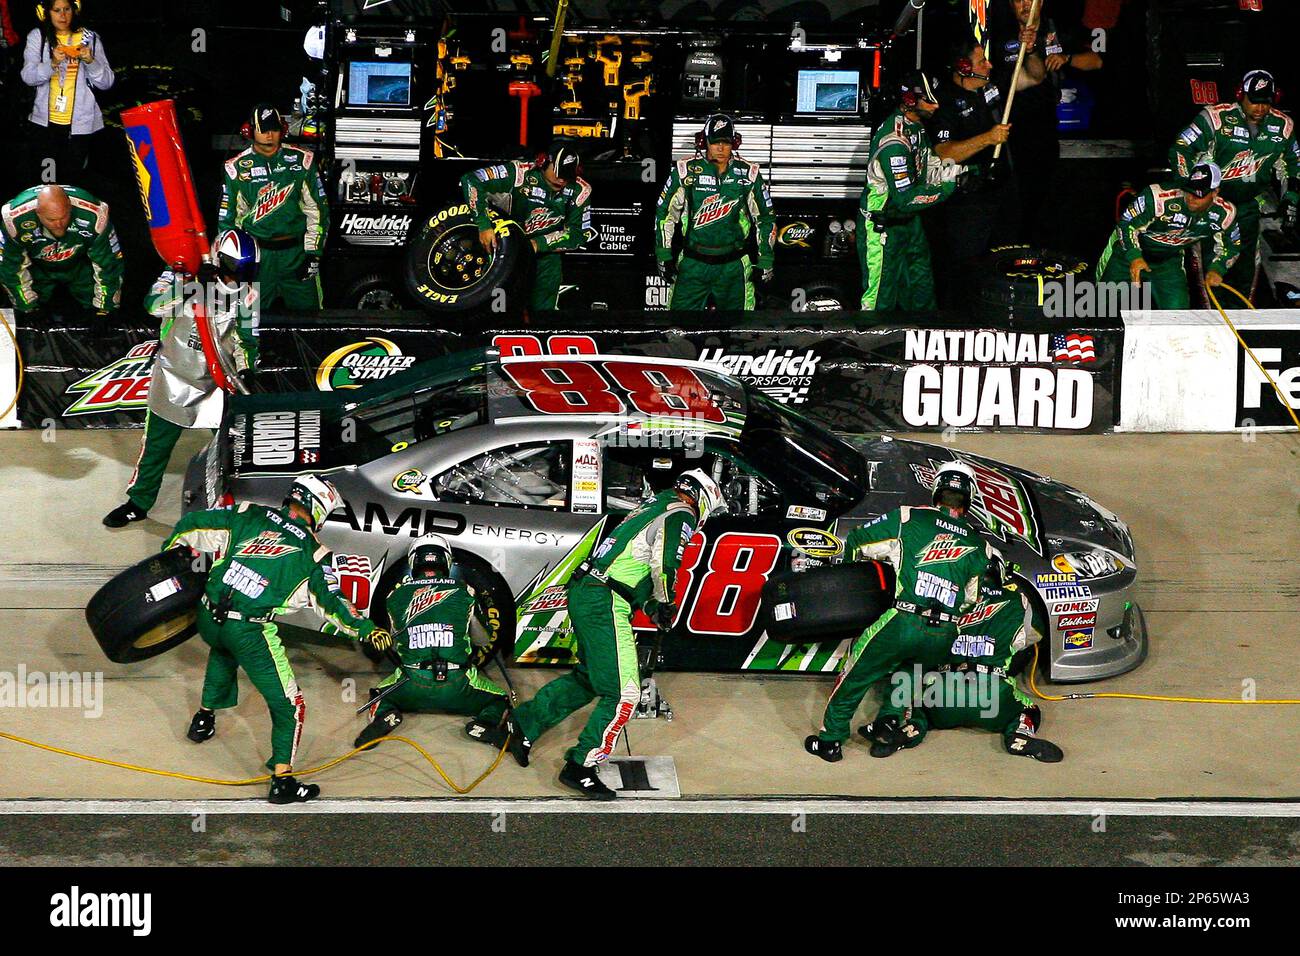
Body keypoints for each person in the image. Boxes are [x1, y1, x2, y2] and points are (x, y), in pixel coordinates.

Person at [476, 469, 726, 798]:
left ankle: (521, 725)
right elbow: (665, 563)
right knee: (624, 694)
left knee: (592, 677)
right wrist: (666, 602)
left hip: (590, 590)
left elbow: (625, 564)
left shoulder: (652, 506)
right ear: (703, 497)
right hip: (603, 601)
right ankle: (582, 765)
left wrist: (650, 608)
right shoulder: (681, 513)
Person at [166, 475, 390, 804]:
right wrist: (366, 628)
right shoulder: (315, 555)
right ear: (319, 511)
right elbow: (333, 602)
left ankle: (203, 718)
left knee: (223, 653)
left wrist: (166, 557)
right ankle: (283, 781)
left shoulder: (247, 512)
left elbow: (192, 523)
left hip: (207, 616)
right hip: (247, 630)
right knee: (290, 706)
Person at [805, 462, 996, 762]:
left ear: (936, 492)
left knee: (856, 675)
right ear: (969, 499)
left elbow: (856, 542)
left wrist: (857, 589)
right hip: (944, 634)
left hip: (903, 620)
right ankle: (890, 720)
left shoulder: (908, 517)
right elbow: (971, 600)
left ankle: (830, 741)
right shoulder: (980, 546)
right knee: (910, 671)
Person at [102, 229, 260, 528]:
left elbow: (246, 340)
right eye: (236, 271)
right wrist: (189, 285)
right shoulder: (179, 275)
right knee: (155, 448)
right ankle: (138, 502)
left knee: (233, 448)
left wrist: (245, 369)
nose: (240, 278)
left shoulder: (249, 292)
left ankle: (242, 503)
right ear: (220, 260)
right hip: (174, 377)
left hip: (216, 384)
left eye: (248, 271)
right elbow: (152, 306)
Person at [863, 559, 1063, 762]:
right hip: (993, 694)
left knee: (918, 705)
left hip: (942, 693)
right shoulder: (1018, 600)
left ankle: (910, 730)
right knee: (1028, 709)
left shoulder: (942, 597)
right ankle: (1019, 736)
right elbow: (1036, 634)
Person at [354, 533, 510, 749]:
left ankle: (386, 715)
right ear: (445, 561)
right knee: (499, 699)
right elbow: (483, 640)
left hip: (411, 683)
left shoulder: (394, 597)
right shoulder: (465, 591)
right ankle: (485, 724)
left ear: (413, 561)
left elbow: (390, 642)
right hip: (457, 684)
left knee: (379, 694)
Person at [1169, 69, 1300, 302]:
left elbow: (1293, 164)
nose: (1259, 108)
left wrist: (1291, 197)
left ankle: (1240, 324)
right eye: (1254, 101)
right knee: (1210, 268)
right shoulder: (1215, 118)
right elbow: (1181, 147)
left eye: (1265, 102)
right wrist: (1192, 189)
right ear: (1241, 95)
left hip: (1248, 207)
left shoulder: (1283, 126)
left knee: (1245, 267)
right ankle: (1212, 323)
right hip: (1212, 206)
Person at [993, 0, 1103, 244]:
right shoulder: (999, 32)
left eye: (1028, 0)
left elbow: (1096, 61)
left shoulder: (1056, 29)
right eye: (1017, 0)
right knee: (1011, 196)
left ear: (1040, 2)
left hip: (1043, 124)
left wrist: (1067, 58)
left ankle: (1036, 249)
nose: (1024, 5)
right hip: (1005, 125)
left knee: (1042, 194)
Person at [857, 71, 960, 311]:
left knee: (921, 294)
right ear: (910, 101)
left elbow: (931, 165)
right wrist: (947, 188)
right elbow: (904, 199)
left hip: (910, 224)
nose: (936, 105)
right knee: (879, 302)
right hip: (882, 226)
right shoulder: (894, 142)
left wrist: (966, 172)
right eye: (929, 99)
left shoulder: (916, 128)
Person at [927, 38, 1016, 309]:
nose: (989, 65)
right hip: (966, 201)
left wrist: (1031, 45)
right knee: (964, 270)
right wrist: (987, 138)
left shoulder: (990, 87)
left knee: (1004, 259)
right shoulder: (945, 102)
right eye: (982, 61)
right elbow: (943, 153)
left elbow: (1030, 78)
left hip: (999, 192)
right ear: (964, 67)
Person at [654, 114, 776, 310]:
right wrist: (663, 254)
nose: (720, 148)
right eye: (715, 142)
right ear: (704, 142)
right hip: (693, 263)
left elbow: (765, 218)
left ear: (734, 143)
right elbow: (665, 215)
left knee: (739, 331)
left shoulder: (749, 174)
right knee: (678, 328)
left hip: (733, 265)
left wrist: (766, 259)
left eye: (726, 142)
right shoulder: (685, 171)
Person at [217, 103, 329, 311]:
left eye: (274, 128)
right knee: (250, 322)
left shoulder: (302, 160)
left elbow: (318, 211)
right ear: (250, 131)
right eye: (263, 129)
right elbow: (228, 220)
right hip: (258, 257)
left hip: (296, 255)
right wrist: (231, 262)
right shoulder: (236, 168)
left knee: (311, 320)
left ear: (283, 129)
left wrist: (313, 253)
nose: (270, 134)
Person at [460, 146, 593, 312]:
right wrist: (484, 225)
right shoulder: (519, 172)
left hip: (545, 256)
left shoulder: (581, 190)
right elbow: (471, 179)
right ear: (542, 162)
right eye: (558, 172)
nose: (561, 180)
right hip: (505, 252)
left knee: (543, 312)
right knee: (498, 310)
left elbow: (579, 233)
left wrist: (537, 244)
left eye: (567, 176)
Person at [1096, 162, 1241, 310]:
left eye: (1199, 194)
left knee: (1178, 312)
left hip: (1168, 262)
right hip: (1124, 255)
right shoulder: (1157, 197)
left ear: (1215, 192)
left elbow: (1232, 245)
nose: (1191, 198)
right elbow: (1127, 224)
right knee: (1099, 305)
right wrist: (1134, 256)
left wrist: (1218, 268)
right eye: (1189, 190)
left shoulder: (1225, 214)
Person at [20, 0, 114, 181]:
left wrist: (90, 61)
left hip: (80, 127)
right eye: (56, 10)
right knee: (47, 183)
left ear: (75, 10)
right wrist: (52, 63)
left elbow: (107, 82)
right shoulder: (38, 37)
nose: (62, 16)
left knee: (74, 184)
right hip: (45, 126)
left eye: (67, 9)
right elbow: (28, 77)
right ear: (45, 12)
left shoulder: (89, 38)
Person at [0, 182, 121, 314]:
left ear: (70, 207)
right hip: (37, 270)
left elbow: (109, 265)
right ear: (38, 213)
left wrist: (104, 308)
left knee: (100, 305)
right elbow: (9, 268)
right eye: (51, 220)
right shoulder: (14, 220)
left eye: (63, 217)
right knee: (27, 308)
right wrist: (26, 308)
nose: (58, 224)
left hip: (80, 268)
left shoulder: (94, 216)